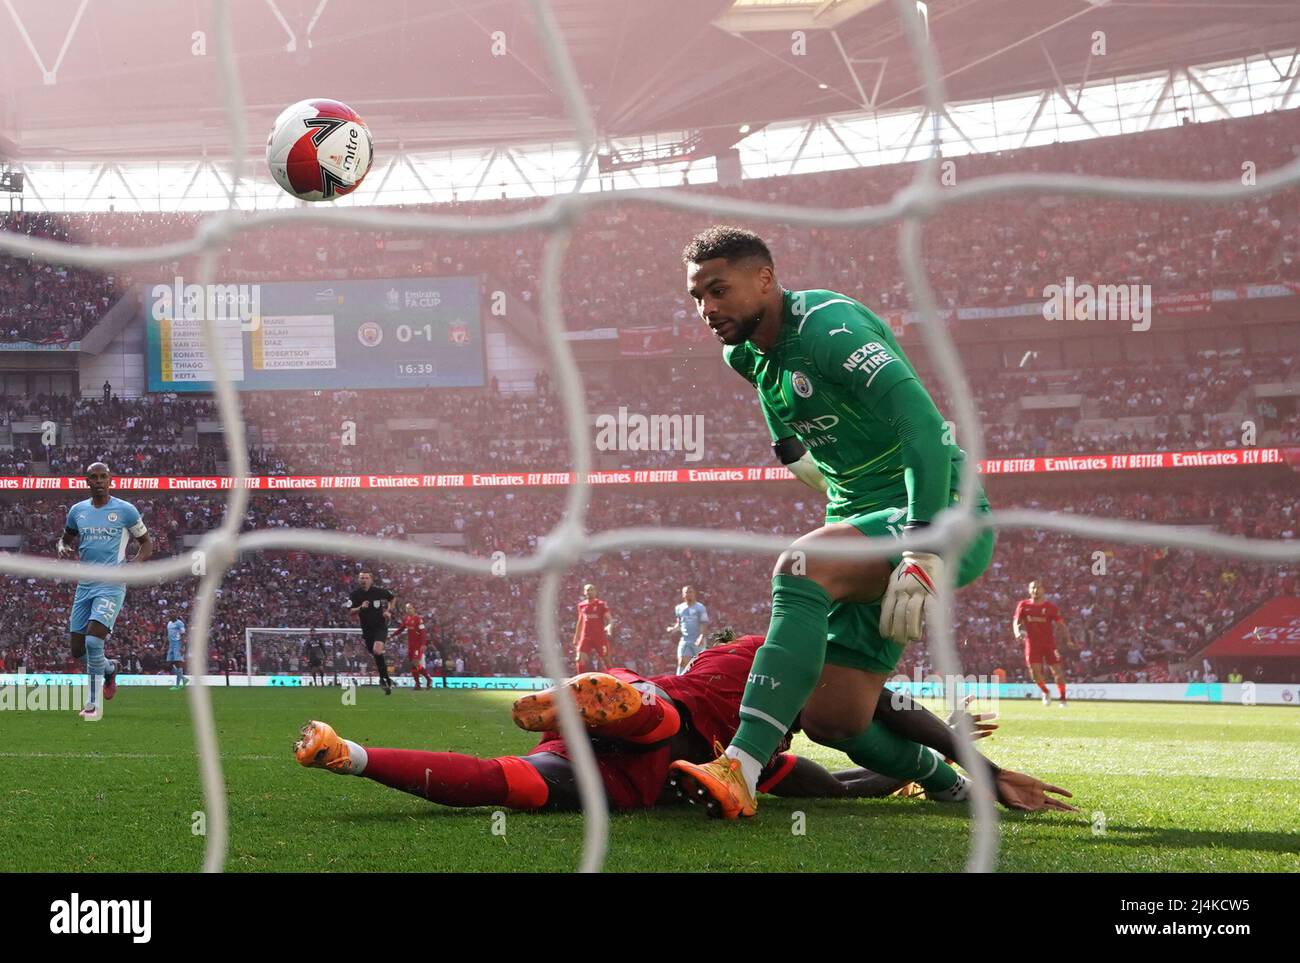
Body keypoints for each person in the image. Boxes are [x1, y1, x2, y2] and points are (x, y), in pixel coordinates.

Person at [671, 227, 997, 818]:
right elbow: (789, 432)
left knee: (800, 564)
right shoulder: (743, 353)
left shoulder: (829, 329)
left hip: (940, 511)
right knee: (835, 718)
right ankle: (946, 783)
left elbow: (921, 427)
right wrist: (808, 469)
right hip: (863, 514)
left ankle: (739, 766)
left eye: (718, 290)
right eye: (697, 297)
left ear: (765, 279)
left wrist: (921, 546)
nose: (707, 309)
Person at [295, 630, 1073, 816]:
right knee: (521, 782)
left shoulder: (765, 738)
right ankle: (354, 752)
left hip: (641, 739)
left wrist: (916, 770)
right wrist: (967, 759)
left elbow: (851, 774)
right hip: (663, 736)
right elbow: (885, 714)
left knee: (514, 782)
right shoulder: (771, 659)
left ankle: (351, 750)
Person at [57, 462, 153, 719]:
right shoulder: (78, 511)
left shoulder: (126, 511)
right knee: (77, 650)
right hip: (85, 585)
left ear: (110, 480)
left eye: (103, 477)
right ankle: (110, 669)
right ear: (87, 481)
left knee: (93, 640)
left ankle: (92, 703)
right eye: (93, 477)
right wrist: (63, 546)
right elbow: (67, 536)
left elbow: (146, 544)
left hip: (111, 584)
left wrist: (133, 567)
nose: (99, 481)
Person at [1013, 579, 1072, 706]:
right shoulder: (1023, 605)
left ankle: (1062, 699)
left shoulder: (1050, 607)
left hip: (1049, 644)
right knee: (1034, 673)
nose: (1035, 590)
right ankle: (1045, 691)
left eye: (1038, 587)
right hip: (1032, 644)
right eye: (1033, 588)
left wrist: (1068, 639)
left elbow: (1061, 625)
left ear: (1043, 590)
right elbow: (1016, 622)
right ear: (1029, 590)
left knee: (1057, 671)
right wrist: (1017, 633)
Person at [348, 572, 396, 694]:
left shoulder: (378, 591)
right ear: (358, 580)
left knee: (377, 650)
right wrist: (360, 607)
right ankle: (385, 678)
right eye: (362, 578)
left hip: (380, 627)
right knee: (375, 654)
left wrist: (388, 611)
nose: (364, 579)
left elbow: (392, 598)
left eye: (366, 578)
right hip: (367, 629)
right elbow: (350, 611)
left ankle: (383, 678)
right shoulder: (354, 595)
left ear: (371, 580)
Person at [391, 604, 435, 690]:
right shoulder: (407, 619)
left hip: (418, 645)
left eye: (410, 608)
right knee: (414, 665)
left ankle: (428, 679)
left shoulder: (418, 619)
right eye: (407, 609)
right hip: (411, 645)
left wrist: (423, 644)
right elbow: (401, 629)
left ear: (414, 609)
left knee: (416, 663)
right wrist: (391, 635)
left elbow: (423, 632)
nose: (408, 610)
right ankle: (418, 685)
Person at [668, 585, 709, 675]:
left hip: (698, 640)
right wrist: (673, 629)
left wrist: (701, 636)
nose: (688, 594)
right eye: (686, 592)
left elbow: (704, 623)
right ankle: (680, 680)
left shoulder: (700, 608)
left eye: (690, 592)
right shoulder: (679, 608)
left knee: (700, 664)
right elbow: (679, 624)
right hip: (685, 639)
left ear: (694, 594)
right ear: (683, 595)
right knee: (682, 661)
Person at [573, 583, 612, 672]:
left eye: (592, 589)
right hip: (585, 636)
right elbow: (580, 621)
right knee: (579, 657)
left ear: (595, 592)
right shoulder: (581, 605)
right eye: (588, 590)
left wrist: (609, 626)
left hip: (599, 636)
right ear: (584, 592)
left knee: (606, 660)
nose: (590, 592)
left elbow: (609, 618)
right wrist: (576, 636)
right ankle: (581, 681)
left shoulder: (601, 604)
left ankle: (613, 677)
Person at [164, 612, 186, 689]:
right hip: (171, 645)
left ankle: (177, 685)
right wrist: (164, 646)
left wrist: (182, 647)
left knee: (178, 663)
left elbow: (183, 635)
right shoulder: (169, 623)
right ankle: (183, 679)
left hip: (178, 644)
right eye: (170, 614)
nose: (171, 615)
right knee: (169, 663)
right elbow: (168, 635)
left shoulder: (180, 623)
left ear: (176, 615)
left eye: (173, 613)